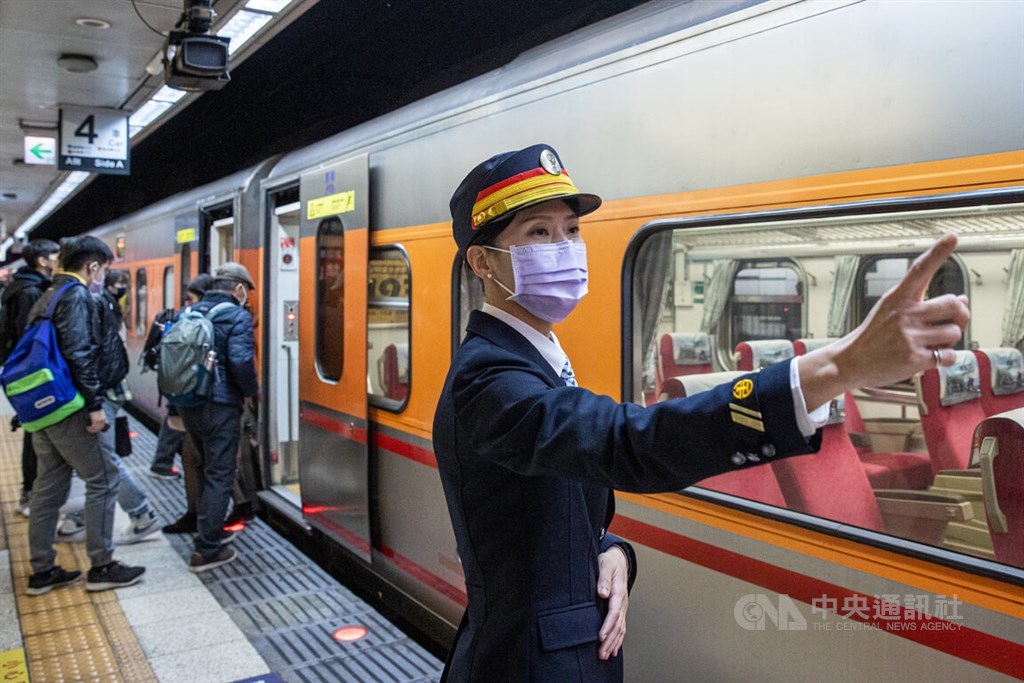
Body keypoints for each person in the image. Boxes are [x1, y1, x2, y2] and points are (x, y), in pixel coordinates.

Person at [432, 144, 970, 681]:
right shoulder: (488, 380)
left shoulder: (534, 357)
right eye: (538, 233)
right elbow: (626, 444)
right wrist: (835, 368)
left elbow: (553, 499)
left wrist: (610, 549)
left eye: (571, 230)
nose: (565, 247)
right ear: (483, 262)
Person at [24, 236, 145, 595]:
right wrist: (94, 406)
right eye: (103, 270)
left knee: (47, 490)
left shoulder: (47, 295)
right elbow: (80, 354)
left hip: (45, 408)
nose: (102, 277)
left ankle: (42, 571)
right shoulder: (77, 296)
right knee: (104, 480)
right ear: (92, 267)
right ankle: (102, 565)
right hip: (72, 407)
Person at [177, 262, 258, 572]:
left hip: (189, 402)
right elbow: (240, 361)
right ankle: (207, 549)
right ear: (238, 289)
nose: (246, 298)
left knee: (206, 465)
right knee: (219, 472)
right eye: (246, 292)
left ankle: (207, 529)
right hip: (220, 404)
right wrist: (252, 391)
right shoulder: (237, 316)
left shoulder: (191, 312)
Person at [0, 239, 60, 517]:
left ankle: (32, 494)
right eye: (55, 255)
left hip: (22, 370)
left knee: (35, 432)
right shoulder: (31, 292)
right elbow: (32, 338)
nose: (59, 259)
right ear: (42, 260)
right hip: (32, 373)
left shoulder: (22, 287)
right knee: (36, 434)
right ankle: (30, 496)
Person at [150, 273, 212, 482]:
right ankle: (162, 464)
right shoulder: (194, 317)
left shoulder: (181, 315)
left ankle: (163, 463)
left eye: (192, 299)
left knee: (175, 419)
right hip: (187, 379)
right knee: (176, 422)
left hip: (175, 378)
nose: (189, 304)